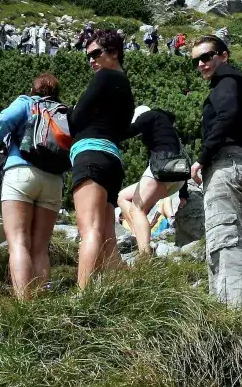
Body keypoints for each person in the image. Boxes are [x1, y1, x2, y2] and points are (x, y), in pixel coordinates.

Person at [0, 75, 65, 298]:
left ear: (33, 89)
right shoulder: (62, 110)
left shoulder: (27, 102)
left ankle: (24, 304)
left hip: (21, 172)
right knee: (40, 247)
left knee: (18, 242)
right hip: (54, 179)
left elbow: (4, 119)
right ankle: (42, 300)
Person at [188, 35, 242, 306]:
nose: (201, 64)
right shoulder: (234, 83)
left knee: (224, 239)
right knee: (227, 236)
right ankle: (224, 306)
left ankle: (234, 312)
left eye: (207, 57)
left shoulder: (226, 82)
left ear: (224, 55)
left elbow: (226, 117)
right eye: (196, 61)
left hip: (226, 165)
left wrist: (202, 158)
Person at [69, 30, 134, 289]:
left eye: (96, 53)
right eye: (88, 56)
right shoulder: (125, 85)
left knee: (90, 231)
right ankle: (124, 289)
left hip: (90, 155)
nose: (91, 60)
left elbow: (76, 119)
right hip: (112, 158)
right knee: (108, 236)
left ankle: (83, 296)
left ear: (114, 52)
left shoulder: (104, 77)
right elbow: (124, 127)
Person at [119, 106, 186, 256]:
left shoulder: (148, 115)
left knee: (136, 209)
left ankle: (145, 255)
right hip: (178, 176)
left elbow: (129, 131)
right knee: (123, 197)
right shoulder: (168, 130)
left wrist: (104, 133)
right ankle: (138, 235)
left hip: (163, 169)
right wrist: (183, 194)